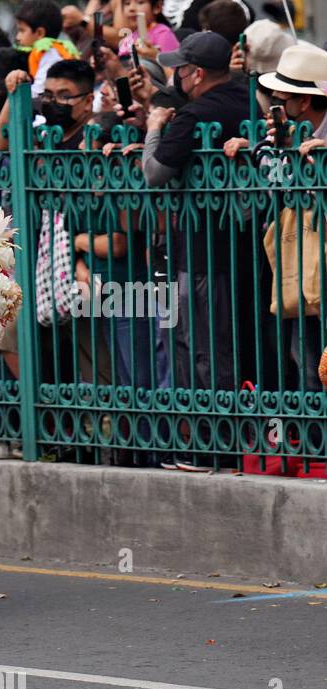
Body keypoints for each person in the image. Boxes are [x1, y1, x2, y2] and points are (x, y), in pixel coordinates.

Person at [143, 30, 252, 459]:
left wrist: (154, 129)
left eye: (181, 68)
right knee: (223, 346)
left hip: (204, 252)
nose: (176, 75)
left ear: (197, 73)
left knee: (202, 350)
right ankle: (220, 440)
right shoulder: (248, 99)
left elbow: (154, 174)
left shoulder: (195, 115)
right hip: (246, 248)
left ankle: (213, 444)